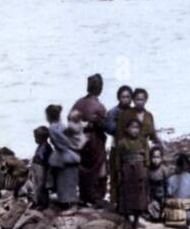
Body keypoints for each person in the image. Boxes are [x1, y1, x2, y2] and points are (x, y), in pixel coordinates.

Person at [71, 73, 108, 206]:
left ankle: (84, 195)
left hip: (80, 139)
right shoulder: (99, 106)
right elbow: (105, 125)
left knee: (84, 167)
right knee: (97, 167)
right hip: (94, 140)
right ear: (100, 88)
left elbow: (71, 121)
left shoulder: (78, 103)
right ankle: (96, 197)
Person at [114, 118, 150, 227]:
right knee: (126, 193)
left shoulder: (143, 141)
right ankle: (126, 218)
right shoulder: (122, 142)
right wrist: (119, 170)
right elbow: (117, 158)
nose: (134, 130)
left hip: (139, 169)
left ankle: (136, 218)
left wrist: (146, 166)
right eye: (132, 128)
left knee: (139, 194)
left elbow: (147, 155)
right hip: (127, 169)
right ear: (126, 129)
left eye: (137, 128)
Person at [45, 105, 82, 207]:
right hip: (70, 154)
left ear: (48, 116)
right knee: (70, 181)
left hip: (63, 155)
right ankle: (70, 202)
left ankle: (69, 203)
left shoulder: (52, 127)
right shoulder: (62, 125)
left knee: (64, 181)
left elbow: (60, 142)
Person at [106, 85, 134, 202]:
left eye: (128, 97)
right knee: (115, 174)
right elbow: (109, 128)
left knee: (129, 175)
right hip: (116, 147)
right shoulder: (113, 112)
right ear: (119, 98)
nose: (126, 99)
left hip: (131, 148)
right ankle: (115, 200)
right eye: (123, 97)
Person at [24, 126, 52, 207]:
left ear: (41, 138)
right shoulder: (41, 146)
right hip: (37, 168)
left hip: (42, 169)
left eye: (36, 137)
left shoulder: (46, 147)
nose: (35, 139)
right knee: (36, 185)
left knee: (41, 186)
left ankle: (42, 203)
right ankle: (37, 201)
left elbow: (45, 159)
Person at [146, 146, 168, 221]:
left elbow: (168, 186)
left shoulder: (164, 170)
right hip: (153, 198)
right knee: (154, 218)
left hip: (163, 197)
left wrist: (166, 198)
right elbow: (147, 186)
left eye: (158, 157)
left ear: (161, 158)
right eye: (153, 157)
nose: (155, 160)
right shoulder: (148, 170)